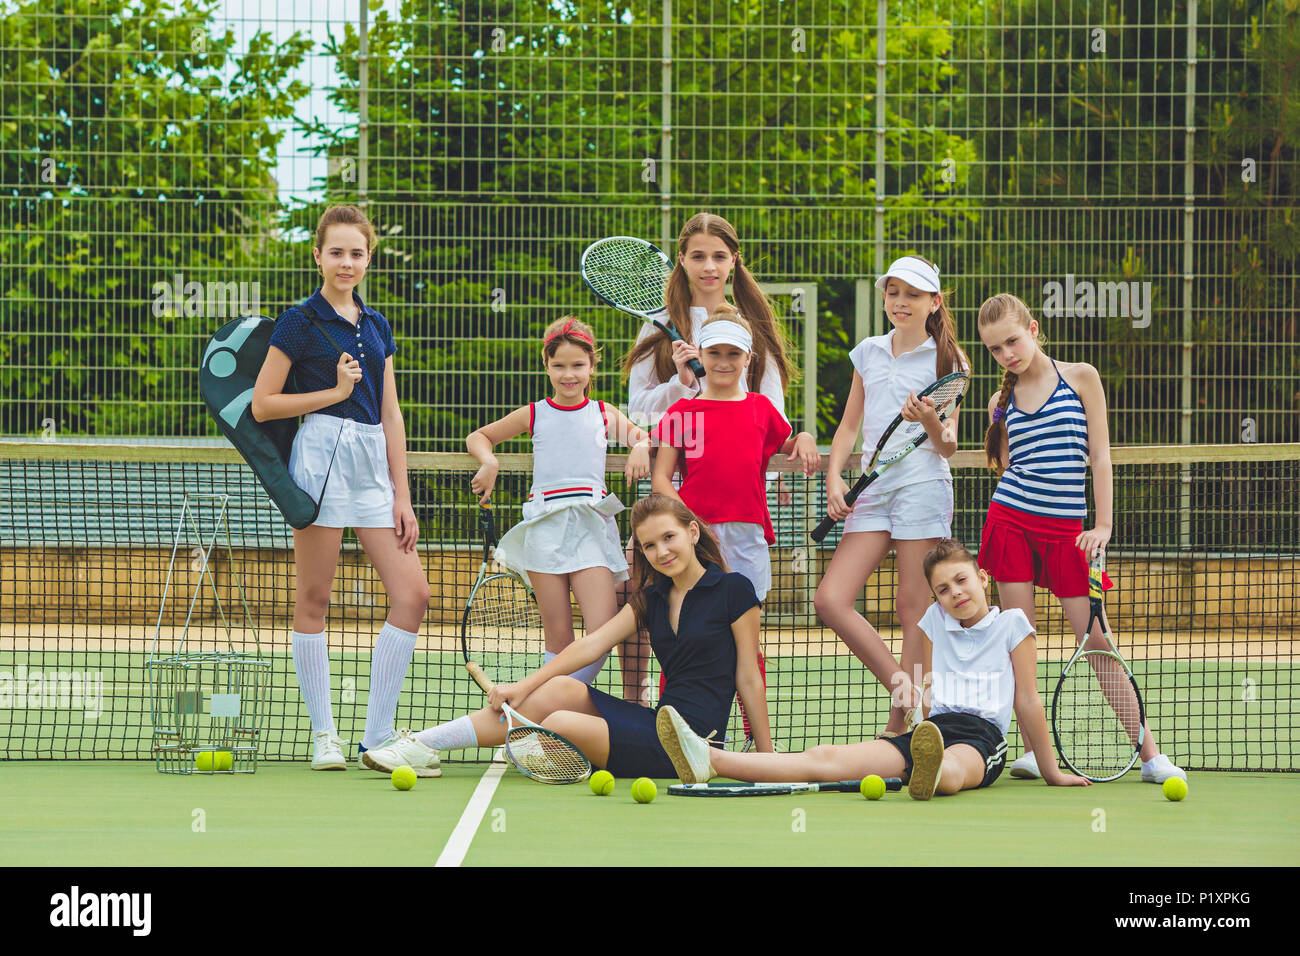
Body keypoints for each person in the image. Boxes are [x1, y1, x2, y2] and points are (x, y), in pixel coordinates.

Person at [359, 494, 772, 776]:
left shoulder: (734, 590)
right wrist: (522, 686)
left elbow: (748, 677)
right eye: (649, 546)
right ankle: (420, 746)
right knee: (556, 694)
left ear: (692, 533)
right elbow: (592, 644)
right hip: (656, 723)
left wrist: (768, 761)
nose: (661, 552)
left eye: (669, 537)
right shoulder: (653, 597)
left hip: (695, 742)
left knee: (559, 723)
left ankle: (545, 747)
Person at [657, 539, 1092, 799]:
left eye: (961, 580)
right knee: (823, 759)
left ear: (982, 577)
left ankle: (932, 771)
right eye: (942, 589)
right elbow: (912, 682)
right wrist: (901, 724)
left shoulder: (1012, 624)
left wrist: (1050, 771)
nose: (954, 593)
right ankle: (708, 758)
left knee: (954, 771)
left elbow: (1027, 699)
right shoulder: (935, 620)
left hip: (981, 738)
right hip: (929, 731)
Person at [975, 293, 1185, 784]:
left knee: (1096, 642)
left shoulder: (1082, 377)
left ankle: (1151, 757)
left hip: (1071, 534)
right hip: (1011, 525)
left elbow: (1101, 457)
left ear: (1032, 327)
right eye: (995, 349)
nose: (1007, 354)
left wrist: (1104, 526)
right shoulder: (999, 402)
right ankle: (1031, 752)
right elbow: (1008, 465)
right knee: (1019, 643)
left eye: (1012, 340)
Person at [251, 204, 430, 771]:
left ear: (368, 258)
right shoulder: (298, 320)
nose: (346, 262)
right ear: (318, 256)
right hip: (322, 453)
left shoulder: (377, 325)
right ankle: (324, 734)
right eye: (336, 252)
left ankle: (377, 735)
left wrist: (402, 494)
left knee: (413, 595)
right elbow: (263, 404)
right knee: (315, 598)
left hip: (373, 460)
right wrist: (330, 392)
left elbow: (391, 410)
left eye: (356, 253)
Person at [618, 212, 799, 704]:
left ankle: (745, 732)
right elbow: (639, 411)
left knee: (735, 624)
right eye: (698, 256)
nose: (709, 266)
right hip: (671, 500)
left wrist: (785, 451)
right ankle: (643, 709)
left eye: (719, 256)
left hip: (737, 510)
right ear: (681, 260)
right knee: (657, 609)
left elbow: (769, 415)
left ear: (734, 261)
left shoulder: (751, 330)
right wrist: (682, 382)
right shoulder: (656, 325)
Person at [814, 255, 968, 737]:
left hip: (923, 487)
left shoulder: (950, 363)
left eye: (913, 294)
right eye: (893, 292)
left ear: (933, 303)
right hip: (872, 492)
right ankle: (909, 693)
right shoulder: (868, 352)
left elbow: (948, 445)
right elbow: (849, 426)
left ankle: (900, 729)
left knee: (912, 608)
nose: (900, 302)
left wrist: (926, 419)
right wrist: (834, 478)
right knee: (830, 600)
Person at [652, 305, 819, 748]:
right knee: (688, 637)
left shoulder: (763, 409)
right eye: (714, 353)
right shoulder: (682, 413)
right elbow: (660, 480)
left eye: (733, 354)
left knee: (746, 643)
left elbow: (786, 441)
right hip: (696, 542)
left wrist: (802, 437)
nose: (723, 362)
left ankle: (755, 740)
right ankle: (684, 733)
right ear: (700, 356)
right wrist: (692, 527)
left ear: (748, 359)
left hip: (747, 540)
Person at [466, 316, 651, 687]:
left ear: (592, 366)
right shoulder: (535, 413)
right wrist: (489, 461)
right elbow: (480, 436)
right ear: (546, 365)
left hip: (591, 529)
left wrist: (642, 447)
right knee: (559, 640)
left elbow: (641, 437)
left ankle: (541, 701)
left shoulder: (603, 413)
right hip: (545, 531)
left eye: (578, 365)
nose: (569, 375)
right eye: (560, 365)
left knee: (601, 634)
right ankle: (553, 722)